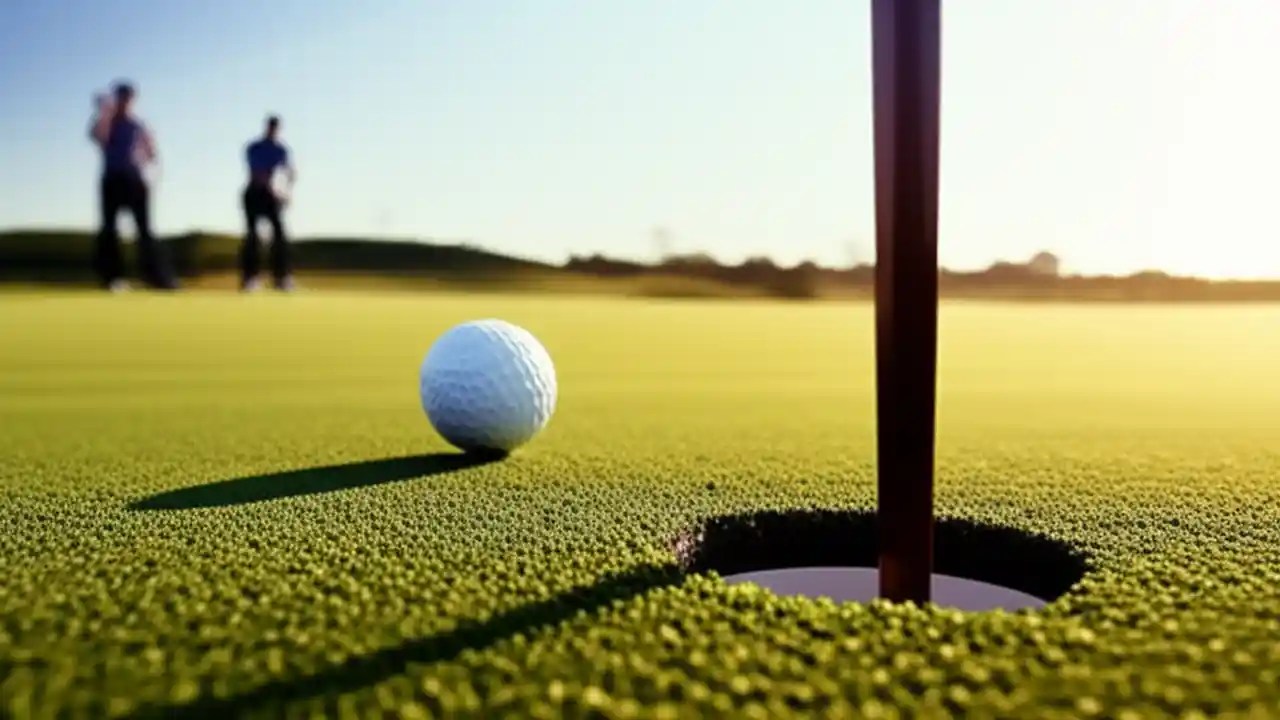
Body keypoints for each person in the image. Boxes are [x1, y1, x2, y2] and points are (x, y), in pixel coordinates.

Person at [88, 81, 179, 291]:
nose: (124, 101)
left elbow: (152, 155)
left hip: (136, 181)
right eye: (120, 96)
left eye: (128, 97)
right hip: (112, 179)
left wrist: (150, 178)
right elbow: (98, 138)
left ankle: (157, 278)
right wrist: (104, 113)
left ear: (133, 100)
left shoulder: (139, 126)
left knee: (145, 230)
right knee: (109, 229)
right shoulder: (106, 121)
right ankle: (112, 279)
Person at [241, 115, 297, 292]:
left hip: (274, 196)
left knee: (280, 235)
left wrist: (286, 191)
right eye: (271, 126)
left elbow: (289, 172)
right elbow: (258, 173)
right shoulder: (254, 147)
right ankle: (251, 278)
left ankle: (282, 278)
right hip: (254, 193)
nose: (273, 130)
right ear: (266, 127)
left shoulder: (282, 150)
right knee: (252, 235)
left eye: (276, 127)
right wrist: (274, 187)